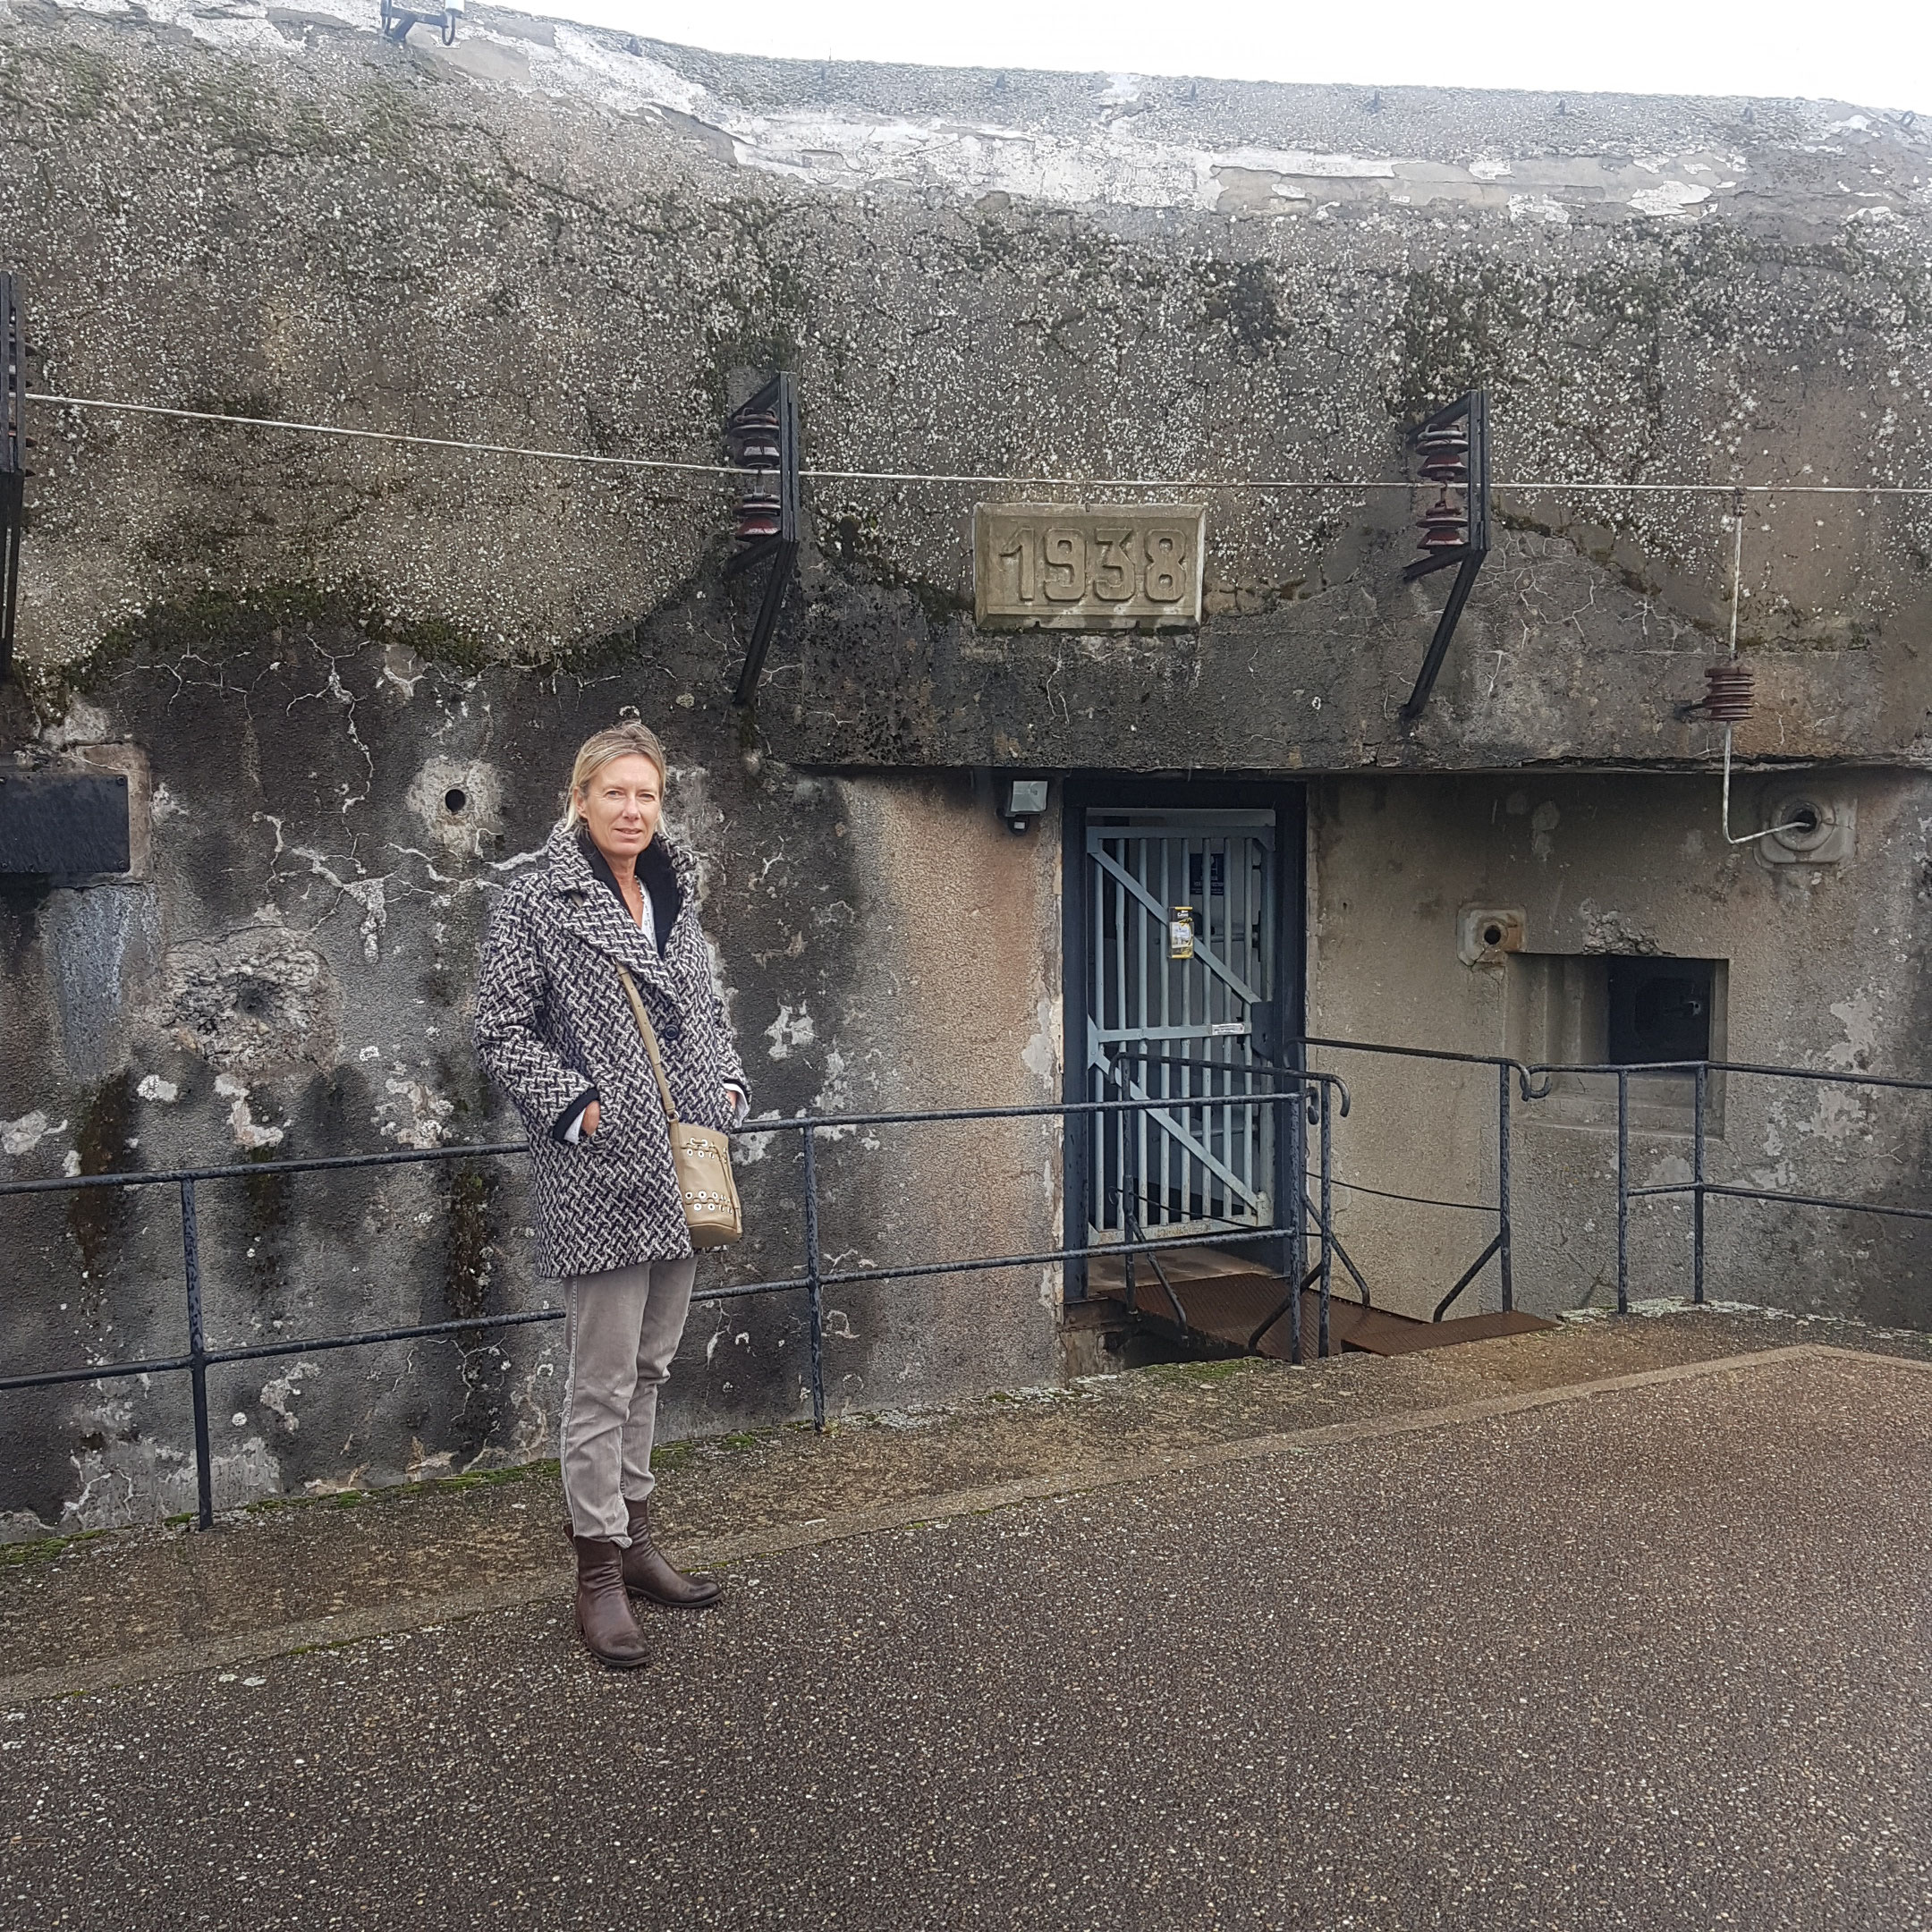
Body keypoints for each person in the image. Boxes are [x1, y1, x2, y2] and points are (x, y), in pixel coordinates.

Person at [475, 723, 750, 1667]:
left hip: (683, 1166)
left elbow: (705, 1015)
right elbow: (503, 1030)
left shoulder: (673, 895)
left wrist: (730, 1089)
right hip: (599, 1173)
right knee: (600, 1382)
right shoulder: (536, 901)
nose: (633, 811)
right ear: (579, 798)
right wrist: (580, 1107)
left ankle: (635, 1543)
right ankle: (595, 1569)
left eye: (648, 796)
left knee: (653, 1368)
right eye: (616, 794)